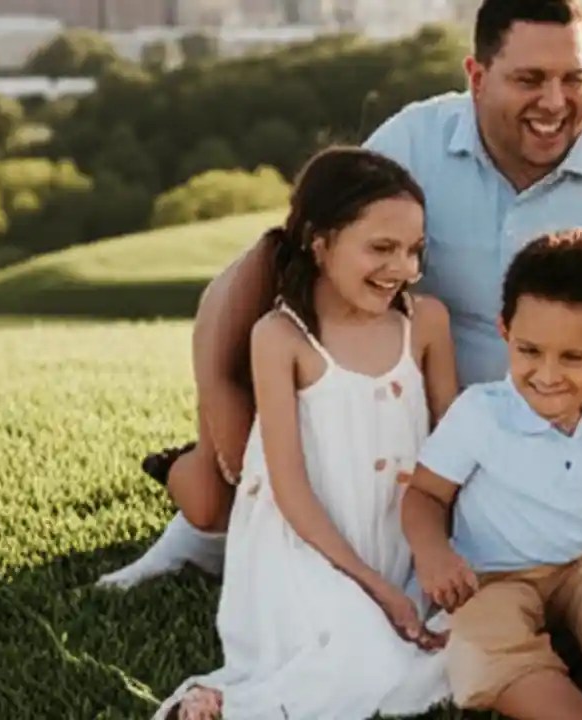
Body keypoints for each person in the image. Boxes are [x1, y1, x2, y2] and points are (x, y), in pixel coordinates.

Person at [95, 0, 582, 591]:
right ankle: (203, 522)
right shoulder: (410, 144)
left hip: (576, 463)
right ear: (476, 77)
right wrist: (217, 390)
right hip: (421, 452)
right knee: (227, 496)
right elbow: (287, 256)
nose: (555, 101)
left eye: (575, 78)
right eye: (530, 78)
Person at [153, 146, 455, 720]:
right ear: (321, 243)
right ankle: (229, 704)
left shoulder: (426, 324)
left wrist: (432, 555)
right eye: (382, 248)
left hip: (405, 543)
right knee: (365, 662)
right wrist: (373, 586)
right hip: (307, 548)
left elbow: (455, 449)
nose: (404, 269)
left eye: (415, 251)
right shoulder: (282, 337)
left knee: (460, 649)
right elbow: (290, 491)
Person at [402, 230, 582, 720]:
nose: (547, 374)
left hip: (577, 569)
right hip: (491, 580)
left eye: (574, 357)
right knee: (481, 644)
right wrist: (433, 554)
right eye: (530, 351)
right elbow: (424, 495)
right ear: (505, 333)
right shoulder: (480, 412)